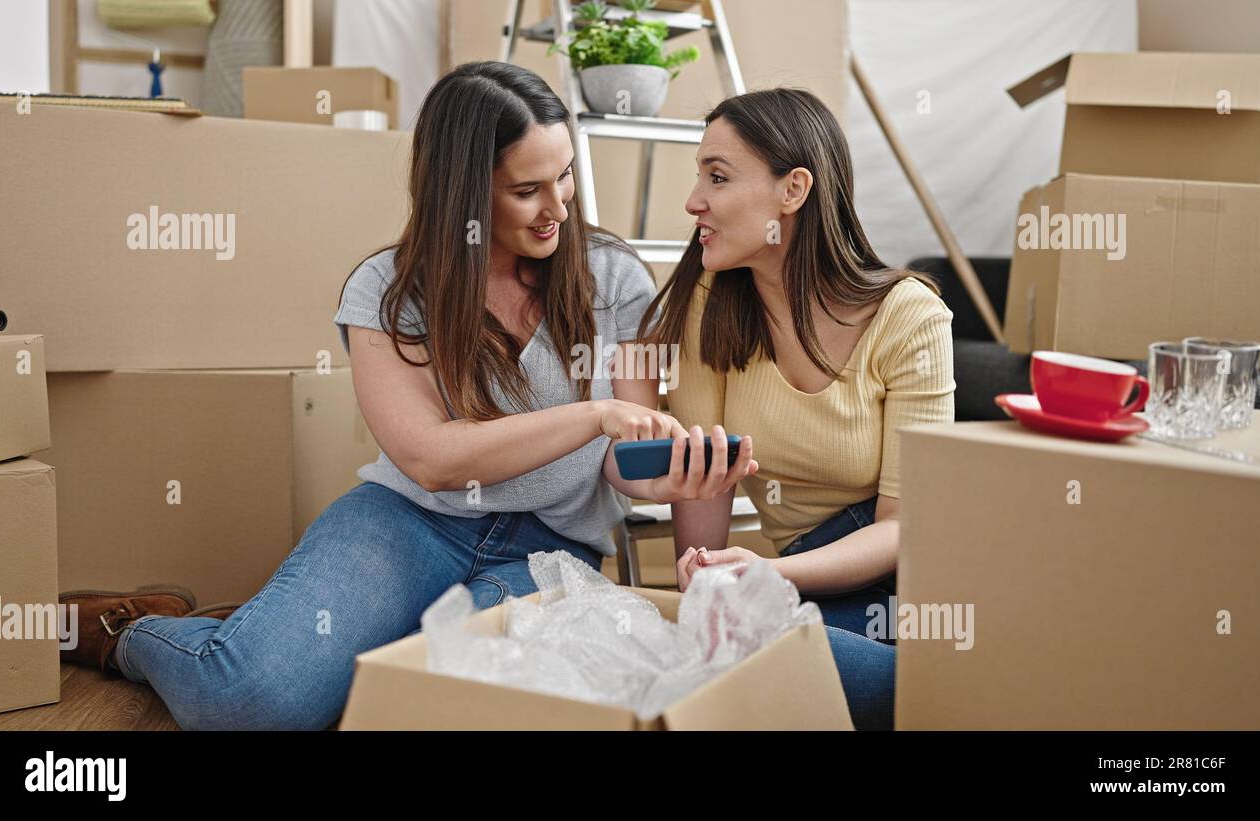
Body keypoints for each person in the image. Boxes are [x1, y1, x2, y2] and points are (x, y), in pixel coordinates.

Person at [58, 61, 752, 730]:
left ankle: (277, 633)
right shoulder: (387, 292)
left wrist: (678, 469)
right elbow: (433, 459)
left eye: (565, 175)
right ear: (463, 193)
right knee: (245, 701)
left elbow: (619, 455)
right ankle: (125, 630)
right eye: (526, 189)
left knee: (435, 693)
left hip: (549, 548)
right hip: (411, 520)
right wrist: (594, 414)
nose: (557, 207)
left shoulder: (614, 276)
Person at [639, 88, 956, 730]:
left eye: (718, 177)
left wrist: (772, 575)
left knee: (930, 687)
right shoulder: (713, 302)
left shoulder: (909, 316)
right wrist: (705, 579)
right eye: (699, 175)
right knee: (714, 653)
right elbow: (707, 480)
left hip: (917, 578)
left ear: (794, 190)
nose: (693, 200)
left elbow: (906, 528)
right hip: (807, 579)